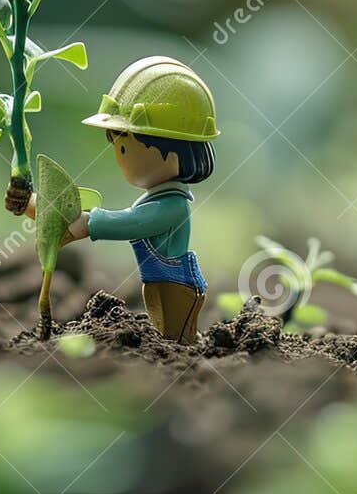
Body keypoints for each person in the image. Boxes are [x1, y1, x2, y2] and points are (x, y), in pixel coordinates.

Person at [30, 56, 219, 343]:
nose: (119, 159)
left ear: (170, 152)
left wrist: (89, 223)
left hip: (177, 288)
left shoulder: (172, 207)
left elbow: (131, 223)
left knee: (176, 338)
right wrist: (31, 204)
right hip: (160, 283)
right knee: (168, 334)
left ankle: (187, 357)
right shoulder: (158, 198)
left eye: (124, 149)